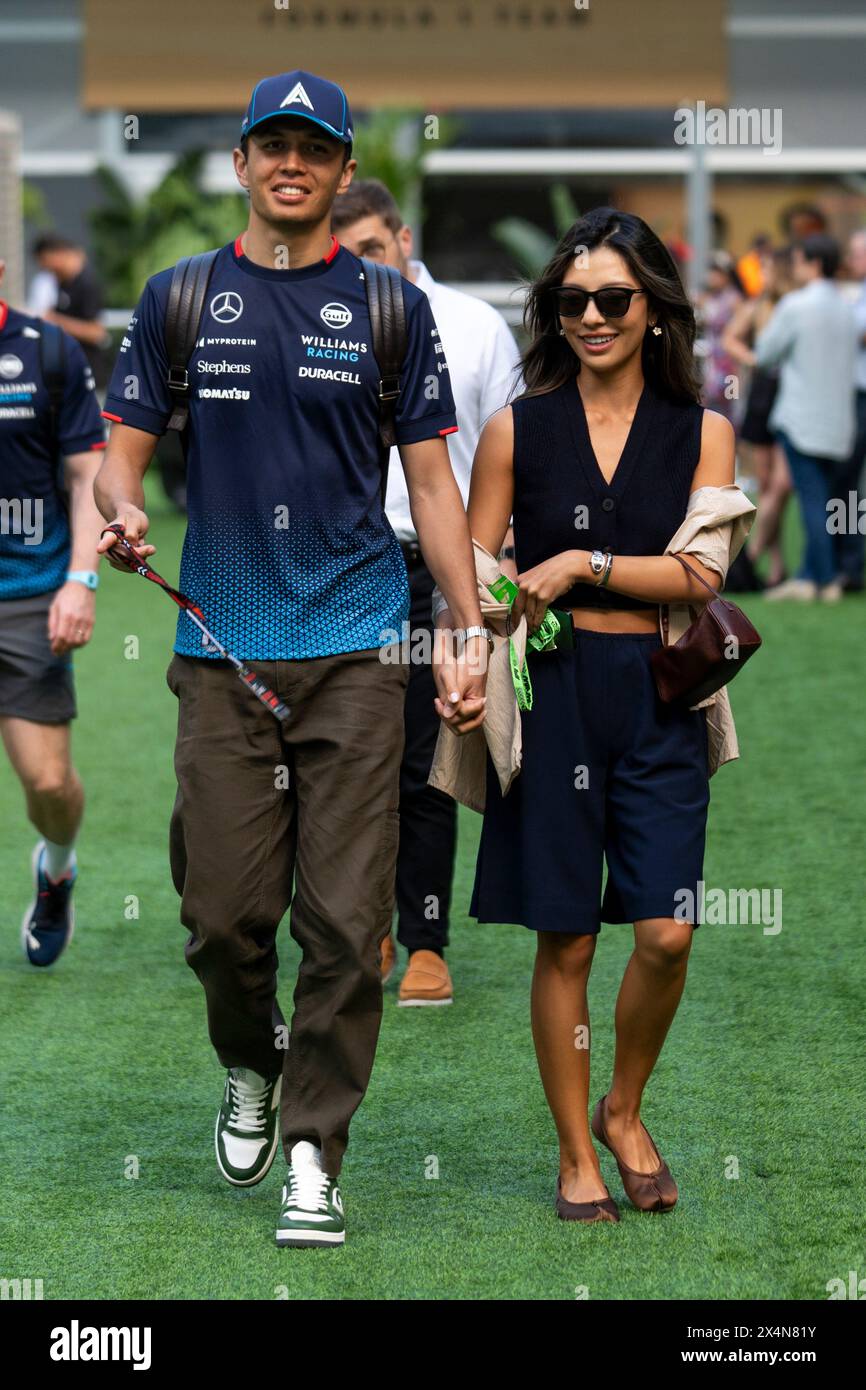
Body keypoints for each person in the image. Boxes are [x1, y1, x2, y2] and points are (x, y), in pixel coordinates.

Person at [94, 70, 488, 1250]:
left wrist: (464, 628)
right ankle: (248, 1065)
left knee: (345, 915)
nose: (289, 164)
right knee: (222, 915)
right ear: (243, 163)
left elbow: (431, 481)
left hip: (361, 643)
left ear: (339, 167)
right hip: (219, 645)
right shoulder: (176, 299)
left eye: (311, 149)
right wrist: (119, 512)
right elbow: (119, 458)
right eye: (271, 144)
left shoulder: (385, 308)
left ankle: (315, 1149)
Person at [436, 207, 752, 1223]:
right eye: (570, 302)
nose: (590, 316)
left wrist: (580, 562)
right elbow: (478, 575)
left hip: (661, 690)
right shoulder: (513, 428)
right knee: (564, 936)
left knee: (665, 931)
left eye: (611, 298)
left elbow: (700, 573)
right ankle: (576, 1153)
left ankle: (625, 1106)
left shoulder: (702, 429)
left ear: (653, 309)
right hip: (552, 691)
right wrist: (468, 641)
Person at [332, 178, 522, 1006]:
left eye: (374, 248)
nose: (364, 265)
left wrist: (493, 566)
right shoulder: (323, 322)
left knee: (425, 754)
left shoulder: (476, 327)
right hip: (336, 565)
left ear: (403, 238)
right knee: (339, 760)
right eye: (349, 255)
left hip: (432, 566)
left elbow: (509, 449)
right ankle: (357, 925)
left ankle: (424, 942)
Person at [0, 256, 106, 966]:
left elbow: (85, 471)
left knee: (47, 783)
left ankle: (57, 867)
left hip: (29, 593)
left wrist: (80, 580)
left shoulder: (47, 351)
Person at [756, 234, 859, 602]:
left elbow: (765, 352)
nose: (794, 267)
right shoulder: (847, 308)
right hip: (839, 421)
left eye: (798, 260)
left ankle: (823, 579)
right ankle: (812, 574)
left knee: (813, 501)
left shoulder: (796, 305)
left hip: (800, 418)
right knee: (830, 500)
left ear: (813, 263)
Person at [722, 246, 795, 588]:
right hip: (764, 394)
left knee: (781, 485)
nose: (760, 275)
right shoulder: (757, 306)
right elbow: (729, 339)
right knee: (766, 485)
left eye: (765, 268)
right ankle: (777, 566)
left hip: (793, 394)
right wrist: (753, 359)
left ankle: (750, 560)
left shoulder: (793, 304)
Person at [32, 234, 111, 388]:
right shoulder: (63, 283)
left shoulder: (87, 284)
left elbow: (96, 333)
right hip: (68, 374)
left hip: (89, 376)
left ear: (58, 255)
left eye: (46, 263)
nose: (47, 270)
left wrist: (55, 320)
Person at [832, 229, 866, 592]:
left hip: (861, 397)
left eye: (857, 254)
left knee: (848, 484)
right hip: (854, 396)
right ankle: (849, 562)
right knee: (847, 485)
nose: (851, 260)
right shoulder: (855, 295)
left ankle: (850, 564)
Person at [697, 251, 744, 424]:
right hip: (711, 363)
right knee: (709, 407)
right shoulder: (707, 298)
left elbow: (742, 334)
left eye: (717, 272)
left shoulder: (735, 300)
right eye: (711, 271)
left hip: (730, 365)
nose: (712, 276)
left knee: (730, 409)